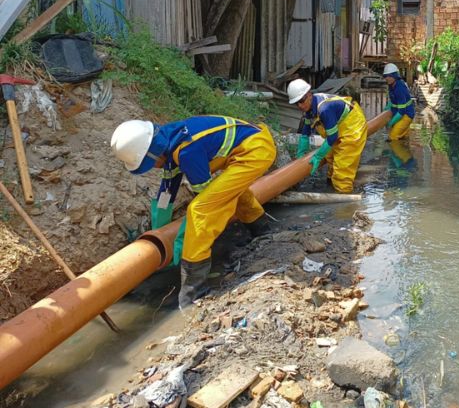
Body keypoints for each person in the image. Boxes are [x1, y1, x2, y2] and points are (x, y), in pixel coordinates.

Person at [110, 116, 276, 309]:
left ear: (152, 154)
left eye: (149, 164)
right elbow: (167, 191)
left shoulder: (187, 150)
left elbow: (207, 205)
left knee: (200, 209)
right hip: (249, 145)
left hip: (256, 150)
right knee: (228, 191)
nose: (153, 168)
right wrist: (159, 230)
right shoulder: (171, 141)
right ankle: (262, 228)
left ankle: (194, 289)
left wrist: (181, 239)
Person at [288, 79, 367, 193]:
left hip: (353, 125)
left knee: (342, 166)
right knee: (330, 157)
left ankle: (345, 199)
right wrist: (301, 152)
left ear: (309, 94)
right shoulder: (308, 109)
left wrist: (318, 156)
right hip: (340, 122)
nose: (300, 105)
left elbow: (332, 137)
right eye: (296, 103)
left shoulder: (324, 109)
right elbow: (305, 132)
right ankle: (331, 184)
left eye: (302, 100)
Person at [383, 63, 415, 140]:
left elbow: (401, 111)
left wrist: (391, 123)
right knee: (401, 137)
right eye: (385, 76)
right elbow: (393, 99)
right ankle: (405, 139)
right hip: (399, 113)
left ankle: (398, 150)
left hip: (406, 114)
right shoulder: (391, 85)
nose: (387, 78)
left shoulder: (400, 88)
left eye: (389, 76)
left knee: (392, 137)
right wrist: (388, 107)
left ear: (395, 76)